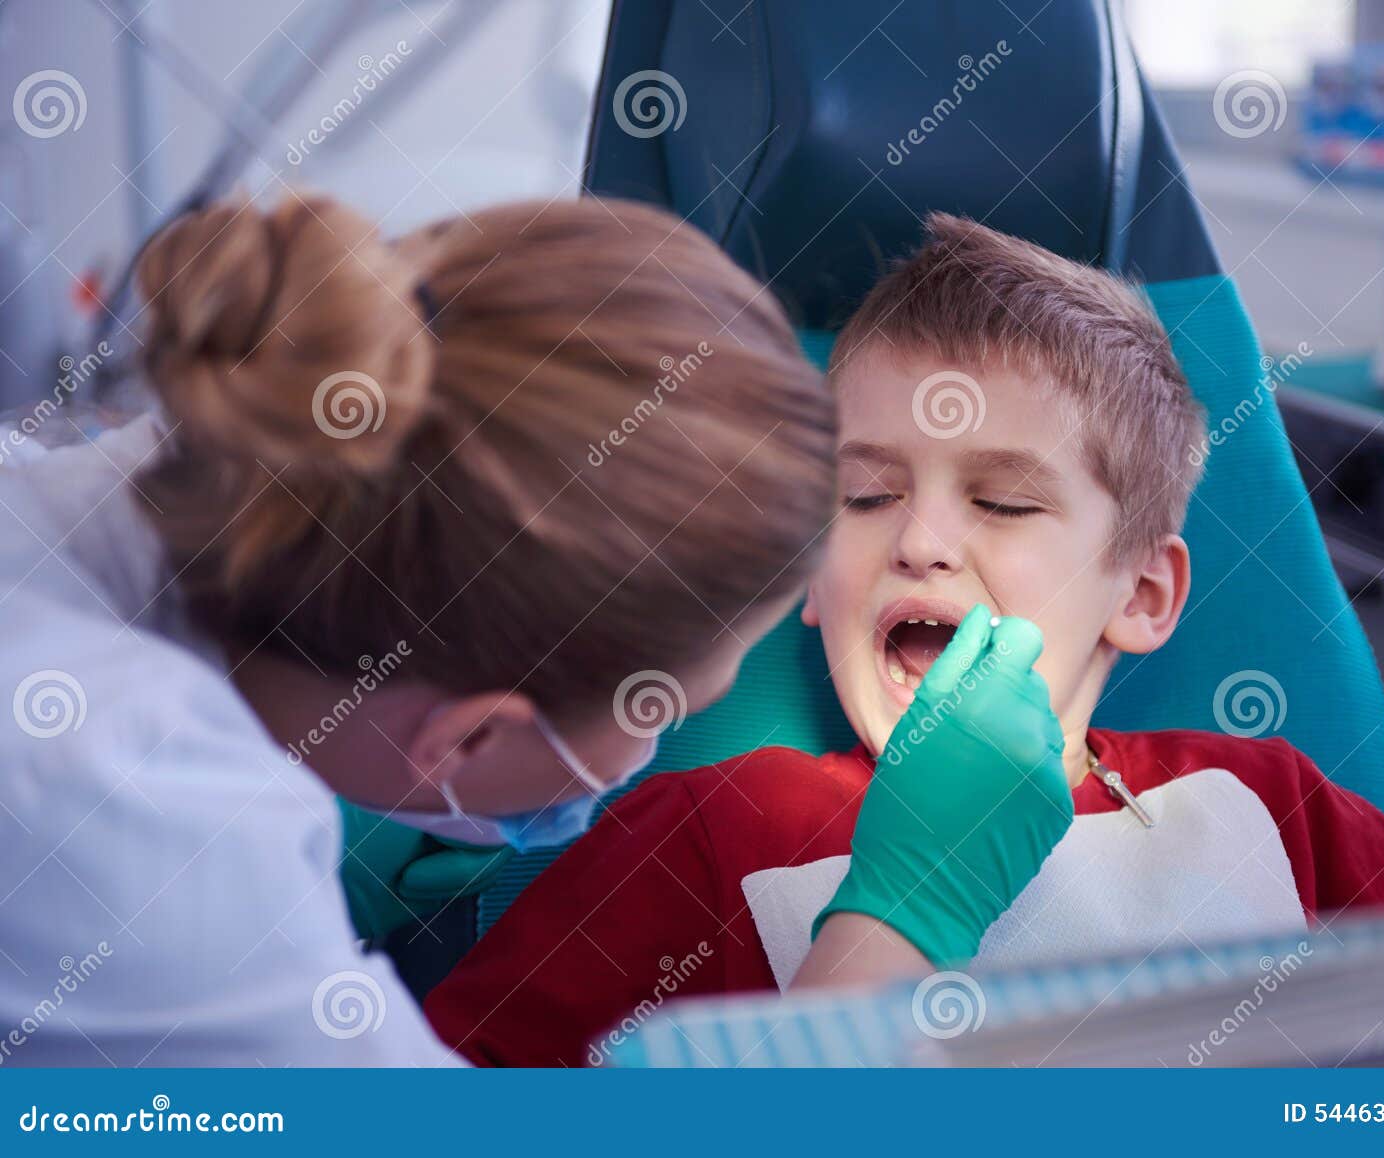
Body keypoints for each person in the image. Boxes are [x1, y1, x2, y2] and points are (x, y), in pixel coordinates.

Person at [423, 215, 1384, 1067]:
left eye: (1006, 505)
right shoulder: (715, 828)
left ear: (1144, 594)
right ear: (803, 571)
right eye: (867, 494)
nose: (920, 542)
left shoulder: (1271, 805)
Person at [0, 192, 835, 1065]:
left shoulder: (146, 495)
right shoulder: (135, 809)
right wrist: (892, 922)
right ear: (470, 737)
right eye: (665, 709)